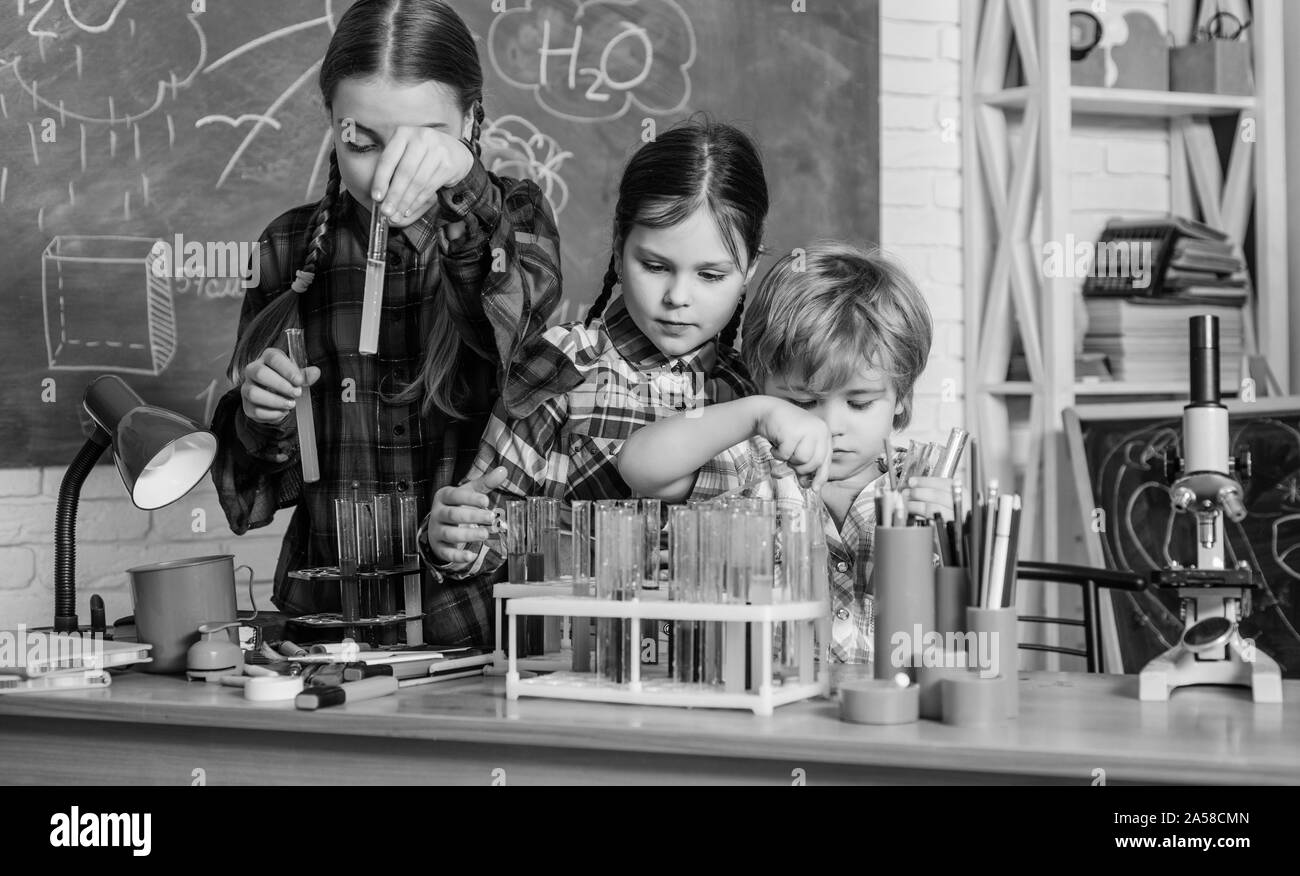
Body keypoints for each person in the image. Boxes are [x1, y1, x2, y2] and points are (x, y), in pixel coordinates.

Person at [211, 0, 567, 648]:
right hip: (323, 628)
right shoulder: (290, 248)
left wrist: (464, 187)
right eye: (363, 141)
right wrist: (261, 417)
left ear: (471, 122)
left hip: (472, 630)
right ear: (333, 126)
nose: (389, 176)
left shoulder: (514, 218)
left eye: (424, 141)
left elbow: (520, 353)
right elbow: (256, 496)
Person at [422, 117, 769, 578]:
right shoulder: (564, 363)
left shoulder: (755, 392)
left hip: (713, 649)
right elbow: (492, 531)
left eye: (710, 275)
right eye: (655, 265)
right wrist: (454, 535)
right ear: (619, 245)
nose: (678, 297)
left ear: (749, 267)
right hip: (578, 646)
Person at [617, 241, 951, 667]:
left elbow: (961, 627)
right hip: (763, 711)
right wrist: (757, 414)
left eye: (859, 403)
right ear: (764, 384)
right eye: (801, 403)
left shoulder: (926, 480)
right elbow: (638, 467)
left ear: (901, 395)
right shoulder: (752, 463)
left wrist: (953, 538)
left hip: (891, 715)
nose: (830, 426)